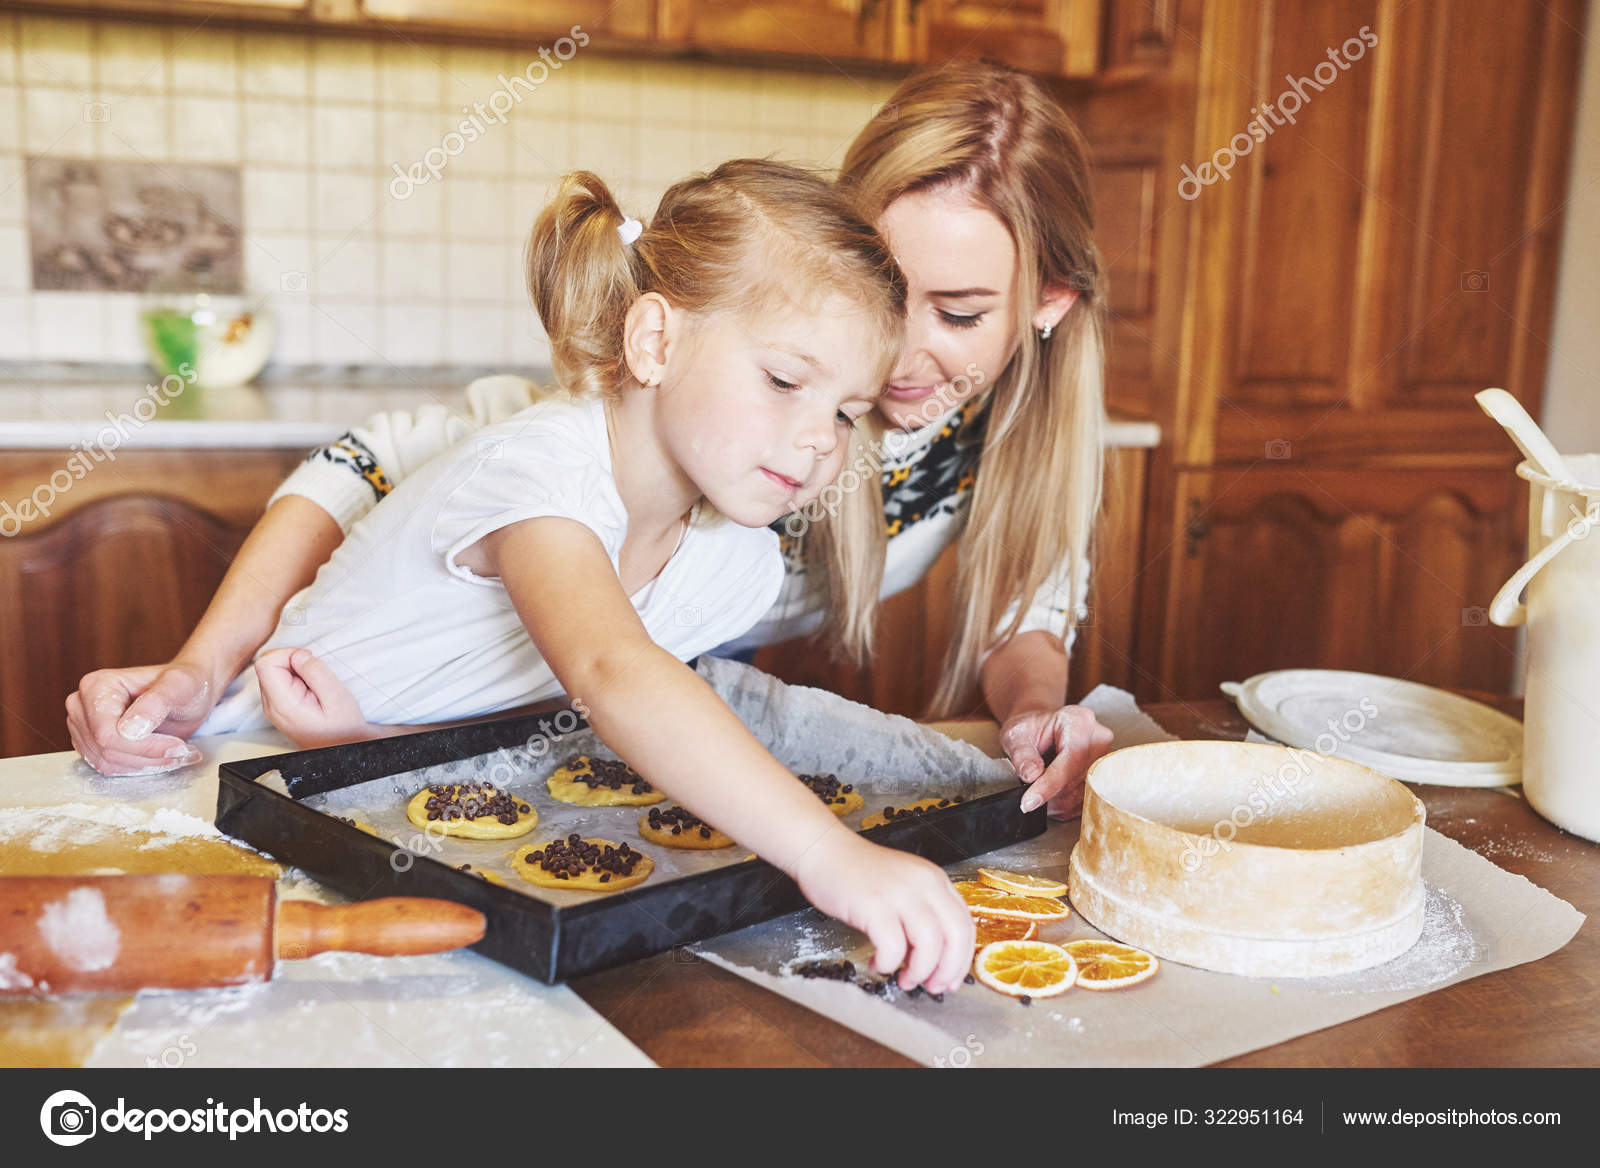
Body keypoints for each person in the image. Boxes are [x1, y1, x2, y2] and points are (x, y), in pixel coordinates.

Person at [70, 60, 1115, 816]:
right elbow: (371, 465)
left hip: (587, 727)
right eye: (886, 289)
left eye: (961, 312)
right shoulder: (615, 418)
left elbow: (1029, 610)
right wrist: (201, 672)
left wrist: (1034, 714)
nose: (902, 353)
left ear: (1048, 304)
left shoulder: (983, 445)